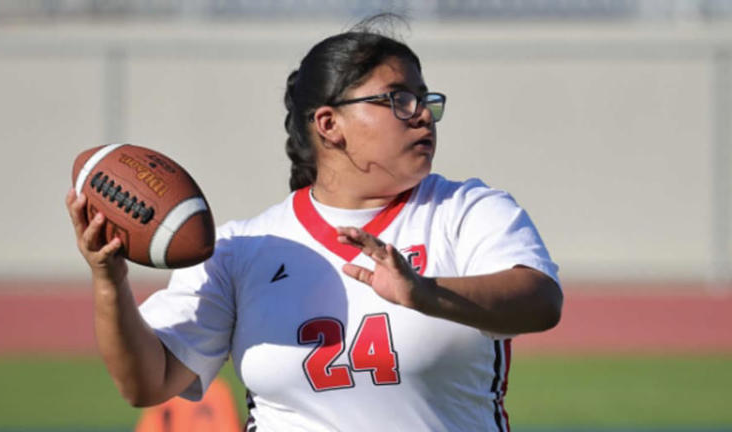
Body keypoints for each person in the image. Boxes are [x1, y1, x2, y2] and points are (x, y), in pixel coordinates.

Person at [66, 16, 562, 432]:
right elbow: (147, 384)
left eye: (424, 99)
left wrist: (427, 294)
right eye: (397, 99)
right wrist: (110, 282)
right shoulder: (241, 249)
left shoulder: (466, 210)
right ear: (329, 124)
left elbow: (541, 302)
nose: (423, 116)